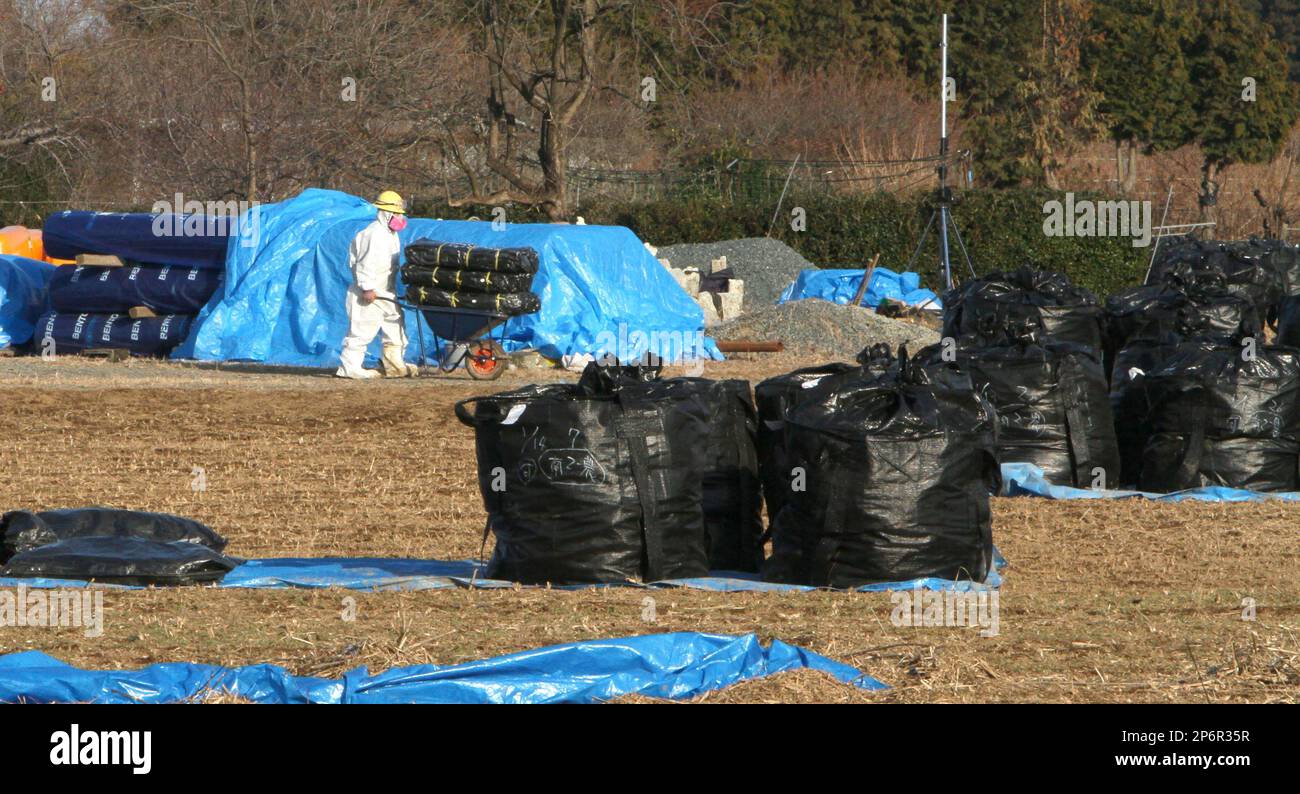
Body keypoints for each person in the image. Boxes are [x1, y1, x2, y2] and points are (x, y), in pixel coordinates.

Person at [336, 191, 418, 379]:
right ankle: (349, 367)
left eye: (401, 214)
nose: (400, 218)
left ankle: (393, 364)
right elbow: (365, 263)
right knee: (362, 329)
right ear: (385, 213)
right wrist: (367, 287)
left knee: (395, 325)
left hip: (385, 291)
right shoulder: (373, 234)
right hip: (368, 292)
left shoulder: (391, 234)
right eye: (397, 214)